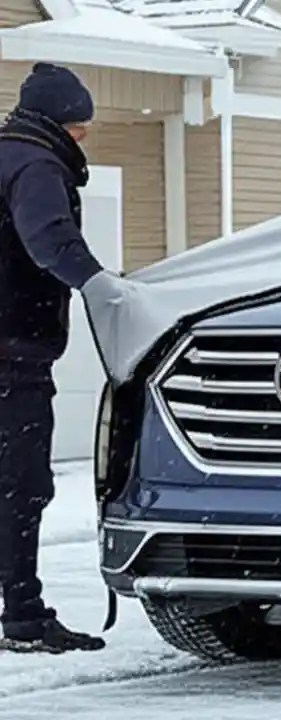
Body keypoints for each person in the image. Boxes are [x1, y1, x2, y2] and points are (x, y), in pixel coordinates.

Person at [0, 62, 125, 653]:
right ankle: (23, 618)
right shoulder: (36, 165)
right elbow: (51, 238)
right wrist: (103, 287)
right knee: (19, 486)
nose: (85, 136)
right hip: (12, 356)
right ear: (62, 121)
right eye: (81, 125)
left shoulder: (8, 156)